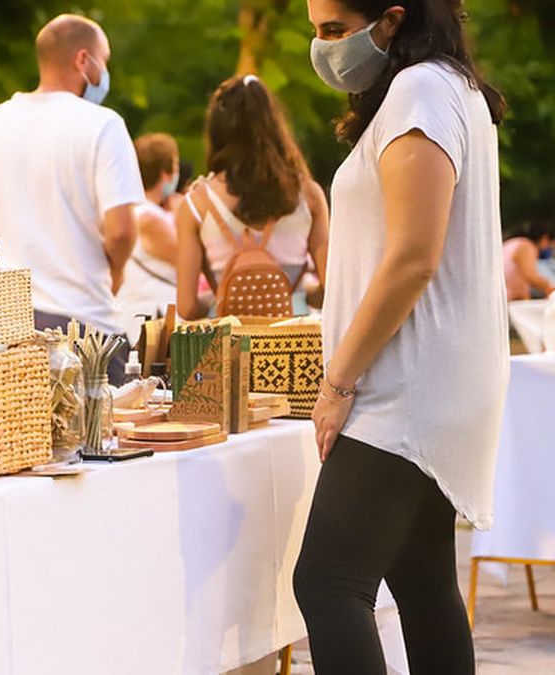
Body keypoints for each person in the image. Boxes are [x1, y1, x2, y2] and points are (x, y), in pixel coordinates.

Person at [295, 2, 509, 674]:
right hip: (430, 379)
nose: (322, 46)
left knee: (328, 583)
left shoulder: (423, 92)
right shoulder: (439, 87)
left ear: (390, 19)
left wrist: (338, 382)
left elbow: (414, 255)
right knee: (422, 584)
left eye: (333, 29)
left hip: (405, 385)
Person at [0, 13, 143, 382]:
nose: (104, 74)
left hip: (7, 334)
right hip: (85, 330)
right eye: (104, 61)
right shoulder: (103, 125)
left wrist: (13, 228)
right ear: (84, 60)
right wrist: (117, 270)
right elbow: (122, 232)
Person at [174, 75, 329, 320]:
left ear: (217, 130)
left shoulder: (196, 203)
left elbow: (187, 307)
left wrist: (223, 297)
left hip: (230, 344)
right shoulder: (309, 195)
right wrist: (299, 293)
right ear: (275, 125)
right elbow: (330, 288)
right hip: (294, 342)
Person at [115, 133, 180, 341]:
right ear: (165, 173)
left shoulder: (132, 211)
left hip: (137, 312)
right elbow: (187, 260)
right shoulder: (149, 218)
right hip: (152, 316)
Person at [503, 221, 554, 300]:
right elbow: (531, 276)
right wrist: (551, 286)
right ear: (545, 238)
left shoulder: (513, 243)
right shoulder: (526, 247)